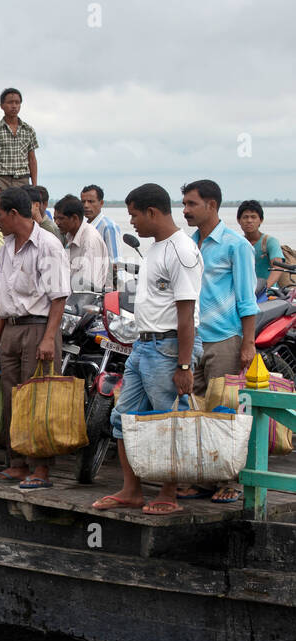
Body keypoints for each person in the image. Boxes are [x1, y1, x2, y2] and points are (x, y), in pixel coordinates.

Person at [92, 184, 203, 516]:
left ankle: (169, 492)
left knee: (167, 421)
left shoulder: (182, 251)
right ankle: (131, 490)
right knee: (122, 418)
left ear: (152, 212)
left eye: (134, 214)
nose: (132, 222)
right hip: (144, 346)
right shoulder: (155, 248)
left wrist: (184, 366)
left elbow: (187, 315)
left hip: (169, 347)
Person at [0, 187, 69, 490]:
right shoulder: (6, 246)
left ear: (14, 214)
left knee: (38, 399)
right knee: (11, 400)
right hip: (11, 328)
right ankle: (16, 464)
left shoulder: (49, 245)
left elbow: (58, 298)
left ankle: (41, 469)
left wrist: (49, 339)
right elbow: (2, 298)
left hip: (39, 327)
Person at [181, 179, 257, 504]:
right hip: (193, 340)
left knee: (225, 411)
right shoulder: (188, 244)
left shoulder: (235, 245)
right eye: (183, 204)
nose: (185, 210)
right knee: (195, 409)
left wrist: (248, 343)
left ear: (211, 205)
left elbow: (247, 300)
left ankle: (231, 480)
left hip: (225, 338)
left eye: (191, 204)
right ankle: (204, 480)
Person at [0, 88, 38, 195]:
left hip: (23, 180)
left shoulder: (28, 130)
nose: (14, 106)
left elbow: (32, 159)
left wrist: (34, 185)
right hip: (2, 180)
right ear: (2, 105)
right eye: (10, 102)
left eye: (17, 102)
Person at [54, 194, 109, 292]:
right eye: (55, 219)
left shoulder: (89, 241)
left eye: (61, 219)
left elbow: (87, 285)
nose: (57, 223)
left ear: (75, 218)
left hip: (85, 302)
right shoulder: (71, 236)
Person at [236, 200, 284, 295]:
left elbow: (278, 267)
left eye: (253, 217)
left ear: (261, 220)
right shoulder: (237, 243)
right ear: (238, 220)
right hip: (245, 294)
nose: (249, 221)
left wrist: (264, 289)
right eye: (245, 217)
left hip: (268, 294)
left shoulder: (270, 242)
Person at [80, 184, 122, 262]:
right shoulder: (84, 227)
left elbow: (116, 261)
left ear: (101, 203)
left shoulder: (108, 227)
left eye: (91, 202)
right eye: (83, 202)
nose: (86, 205)